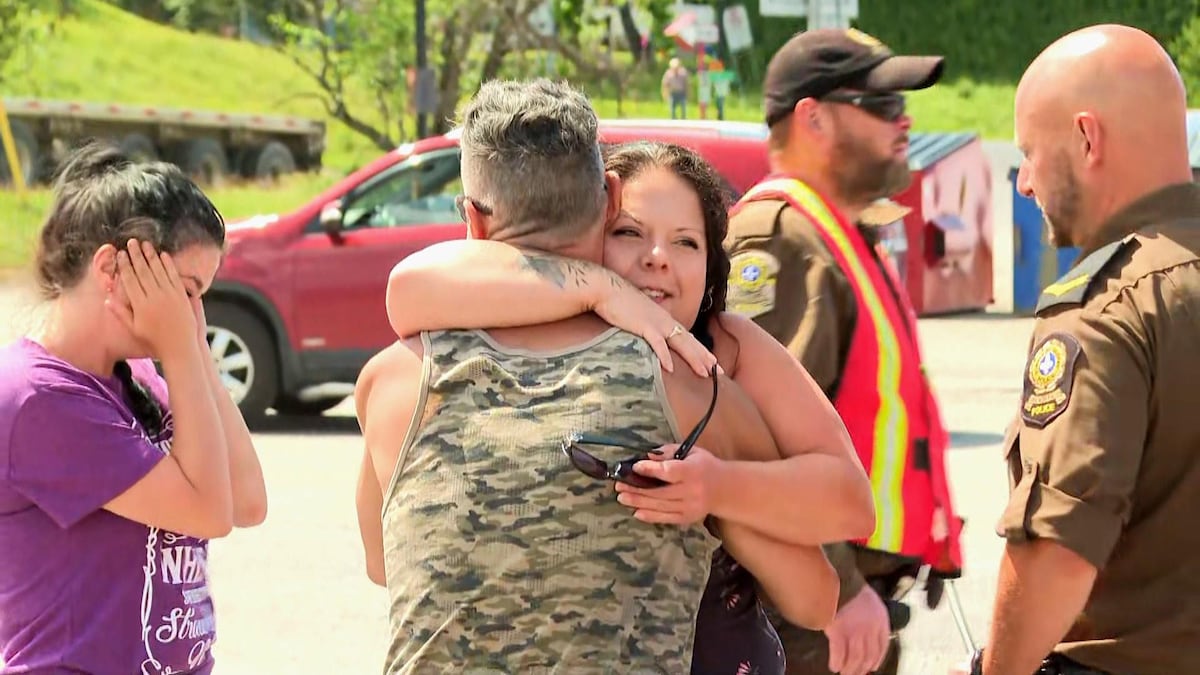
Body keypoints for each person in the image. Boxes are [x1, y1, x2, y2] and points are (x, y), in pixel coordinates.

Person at [355, 79, 860, 674]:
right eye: (630, 234)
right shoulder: (690, 387)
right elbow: (815, 594)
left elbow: (382, 562)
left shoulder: (392, 379)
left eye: (686, 243)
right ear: (610, 201)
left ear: (472, 220)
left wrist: (718, 489)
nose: (655, 260)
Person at [721, 27, 964, 675]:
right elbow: (757, 437)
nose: (904, 120)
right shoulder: (781, 238)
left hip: (844, 609)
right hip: (812, 612)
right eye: (882, 104)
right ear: (813, 118)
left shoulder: (837, 233)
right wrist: (840, 586)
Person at [966, 24, 1200, 675]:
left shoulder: (1107, 307)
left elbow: (1058, 551)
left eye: (1030, 154)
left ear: (1087, 139)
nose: (1024, 183)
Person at [0, 142, 268, 674]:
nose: (194, 315)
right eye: (185, 291)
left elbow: (246, 500)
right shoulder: (38, 398)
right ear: (110, 269)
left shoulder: (140, 375)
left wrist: (192, 352)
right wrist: (181, 351)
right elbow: (208, 513)